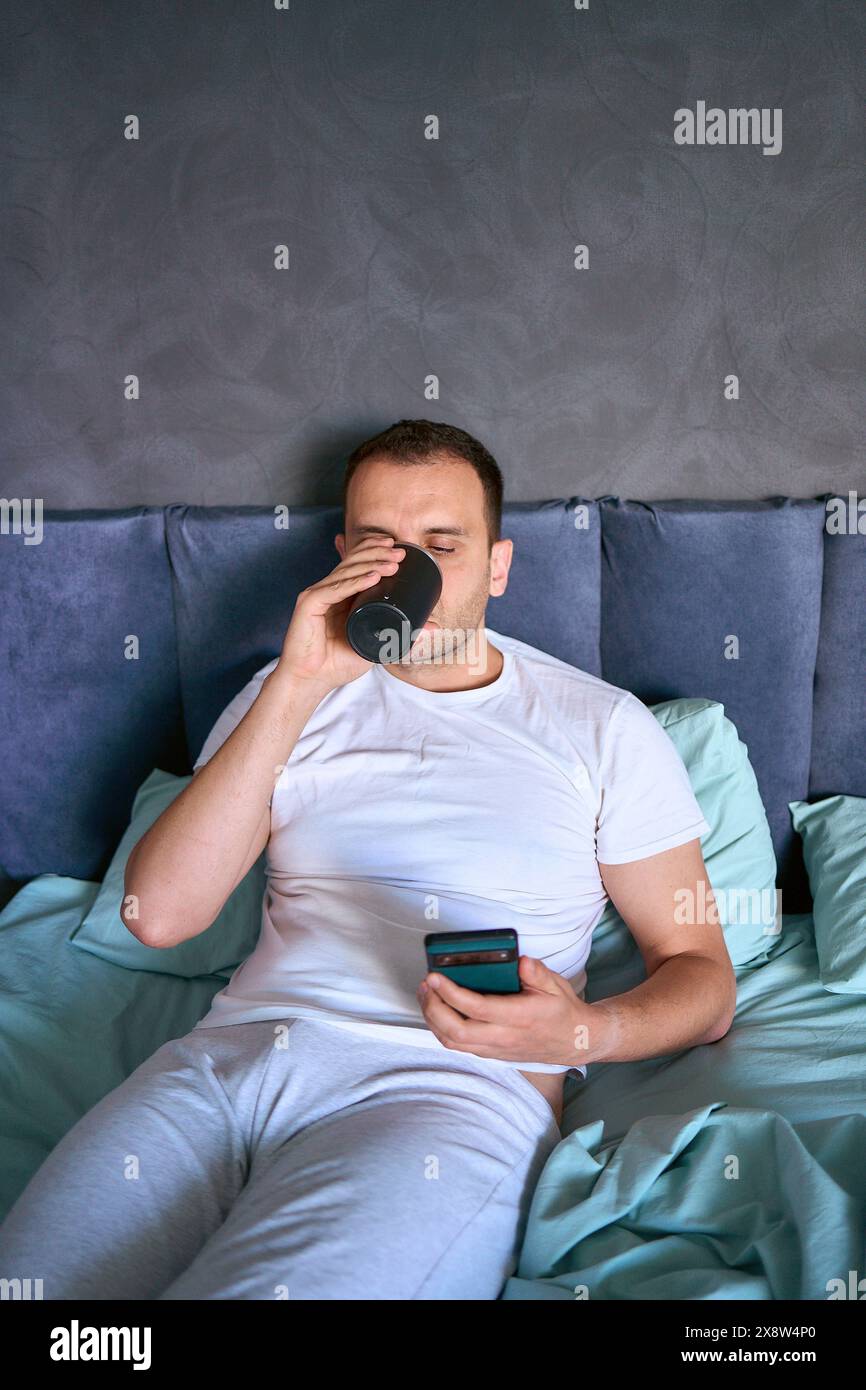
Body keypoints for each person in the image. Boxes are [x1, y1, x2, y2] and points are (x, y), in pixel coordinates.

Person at [0, 420, 734, 1300]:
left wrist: (582, 1033)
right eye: (381, 545)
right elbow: (156, 917)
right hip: (231, 1063)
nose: (406, 569)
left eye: (441, 546)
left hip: (446, 1092)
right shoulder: (285, 695)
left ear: (498, 566)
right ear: (343, 554)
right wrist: (302, 680)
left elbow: (703, 978)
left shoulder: (601, 727)